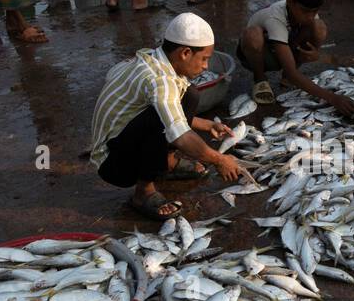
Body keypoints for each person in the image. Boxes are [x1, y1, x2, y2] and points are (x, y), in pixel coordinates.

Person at [90, 13, 244, 221]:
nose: (206, 66)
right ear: (185, 53)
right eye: (204, 59)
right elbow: (180, 135)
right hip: (112, 164)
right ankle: (144, 192)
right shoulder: (160, 81)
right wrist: (220, 159)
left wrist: (206, 125)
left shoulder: (153, 56)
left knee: (190, 94)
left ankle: (167, 162)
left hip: (122, 139)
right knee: (160, 120)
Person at [238, 0, 354, 111]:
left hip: (285, 48)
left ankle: (287, 76)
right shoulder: (275, 17)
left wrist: (315, 54)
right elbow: (289, 68)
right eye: (305, 11)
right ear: (290, 2)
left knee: (319, 27)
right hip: (259, 55)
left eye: (314, 11)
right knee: (253, 35)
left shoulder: (307, 9)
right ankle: (260, 80)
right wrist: (332, 98)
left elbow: (313, 28)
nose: (310, 16)